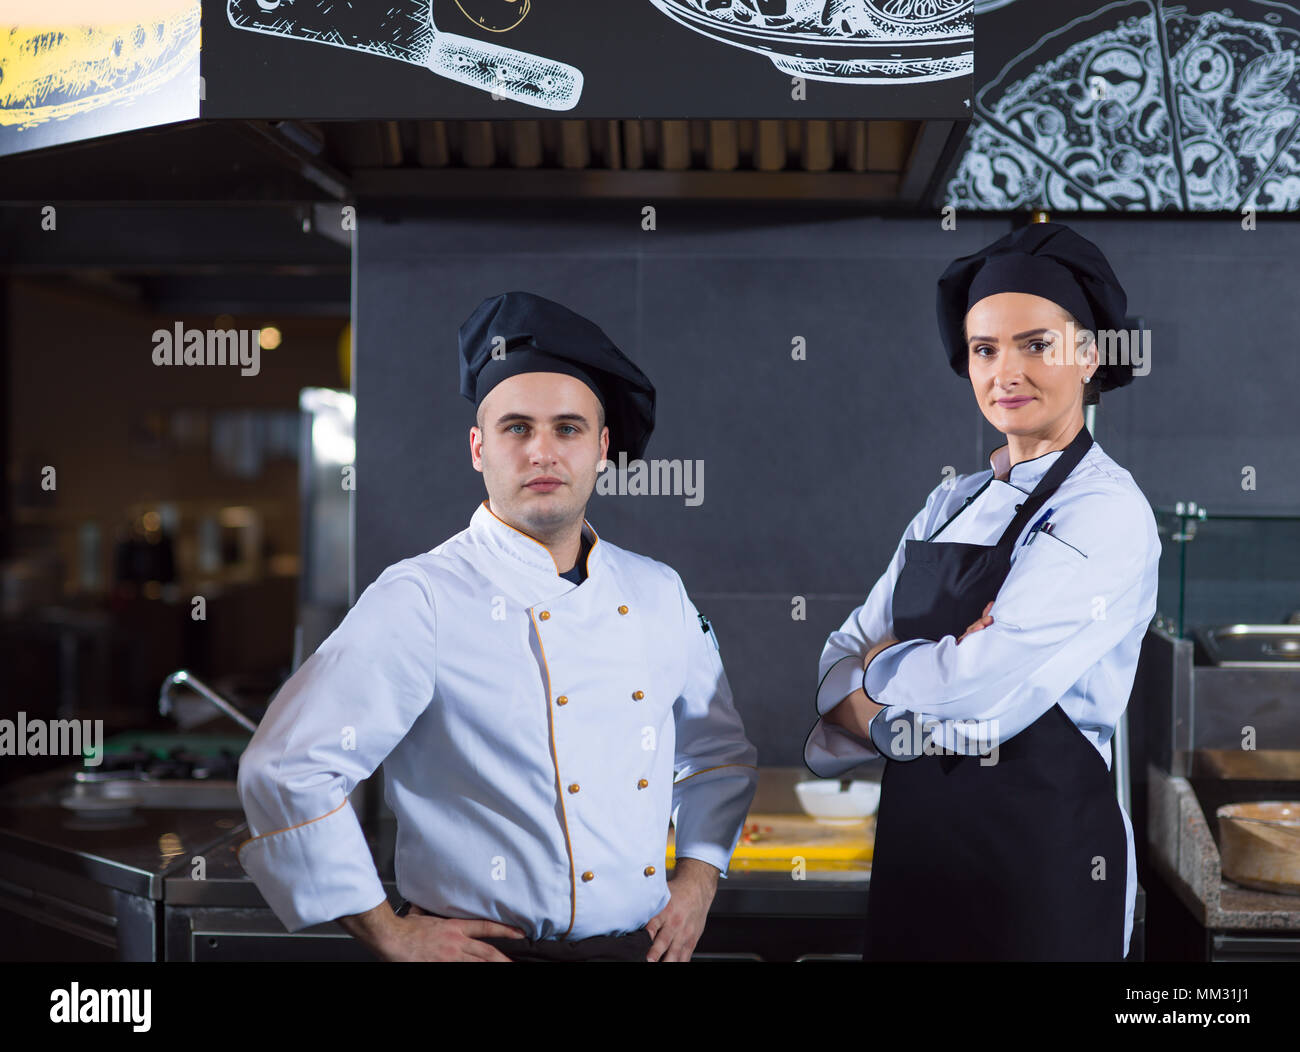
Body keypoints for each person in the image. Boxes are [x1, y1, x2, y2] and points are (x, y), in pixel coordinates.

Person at [236, 290, 758, 962]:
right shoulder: (421, 597)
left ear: (601, 447)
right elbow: (285, 768)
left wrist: (698, 881)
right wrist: (387, 931)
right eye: (517, 428)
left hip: (640, 951)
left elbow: (718, 755)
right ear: (479, 448)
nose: (543, 452)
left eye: (567, 429)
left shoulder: (657, 591)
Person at [804, 221, 1159, 961]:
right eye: (984, 349)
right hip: (919, 870)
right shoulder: (950, 502)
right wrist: (915, 680)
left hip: (1044, 885)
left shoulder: (1107, 511)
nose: (1007, 372)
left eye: (1036, 344)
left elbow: (982, 690)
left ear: (1089, 355)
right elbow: (833, 662)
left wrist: (883, 665)